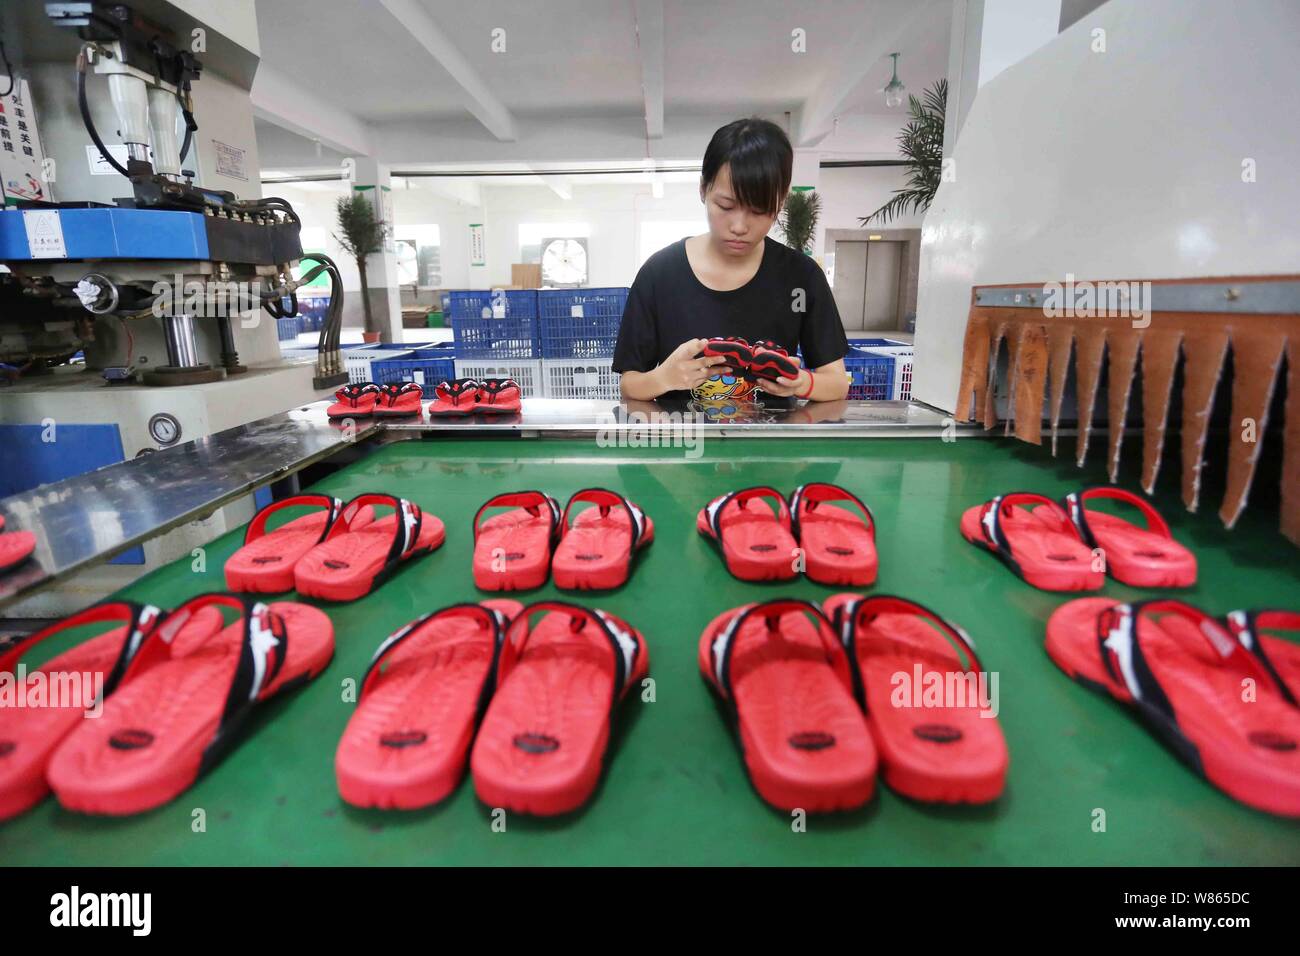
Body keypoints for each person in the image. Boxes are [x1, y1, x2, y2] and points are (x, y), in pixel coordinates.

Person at [613, 117, 849, 404]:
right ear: (703, 190)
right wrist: (664, 377)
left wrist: (802, 383)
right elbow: (629, 385)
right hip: (687, 445)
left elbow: (837, 383)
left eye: (759, 210)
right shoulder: (659, 274)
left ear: (781, 202)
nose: (739, 226)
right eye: (725, 206)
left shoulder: (801, 276)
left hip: (768, 445)